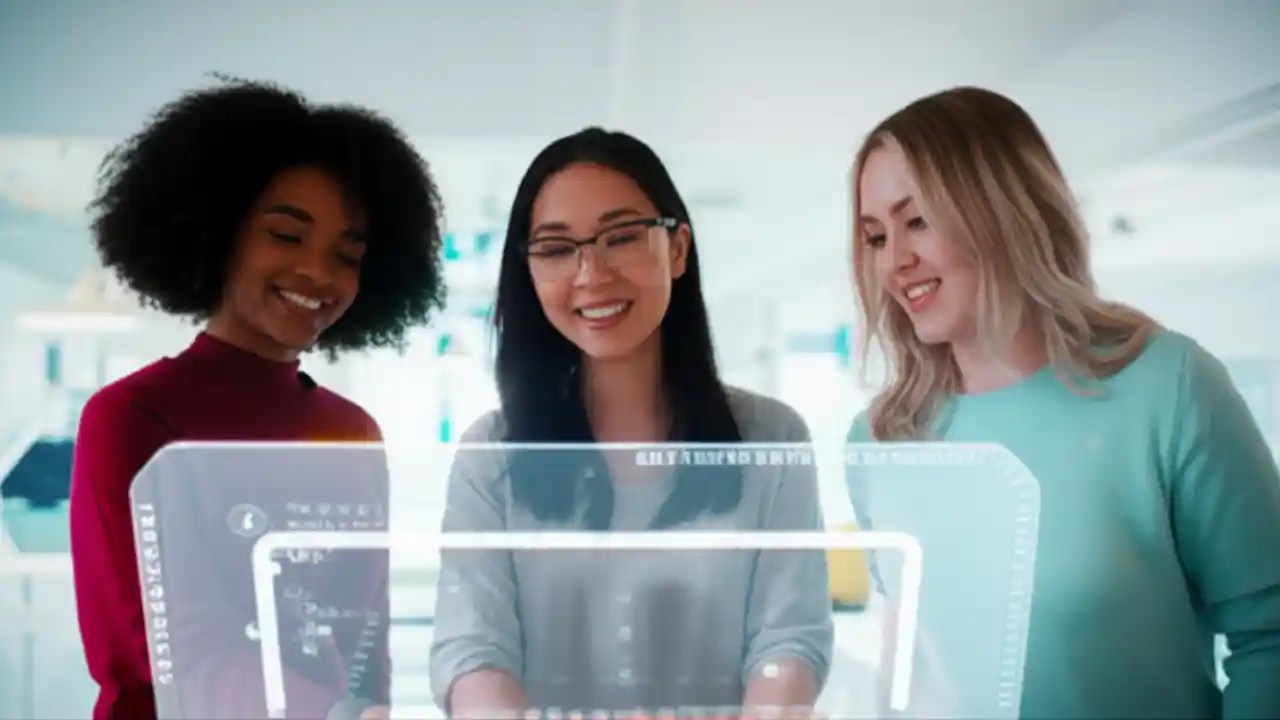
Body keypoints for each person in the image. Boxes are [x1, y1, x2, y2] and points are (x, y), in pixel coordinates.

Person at [845, 86, 1280, 718]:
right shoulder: (879, 443)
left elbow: (1268, 636)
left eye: (917, 220)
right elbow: (920, 673)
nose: (895, 262)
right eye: (876, 236)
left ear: (1000, 210)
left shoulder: (1169, 390)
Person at [69, 78, 446, 720]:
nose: (319, 274)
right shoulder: (132, 417)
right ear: (219, 232)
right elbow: (165, 651)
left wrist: (367, 708)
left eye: (346, 255)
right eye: (286, 235)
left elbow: (362, 637)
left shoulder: (351, 431)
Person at [426, 128, 833, 718]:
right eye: (558, 248)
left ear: (677, 248)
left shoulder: (771, 438)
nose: (591, 274)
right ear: (529, 271)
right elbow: (472, 650)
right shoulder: (491, 453)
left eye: (620, 237)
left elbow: (788, 639)